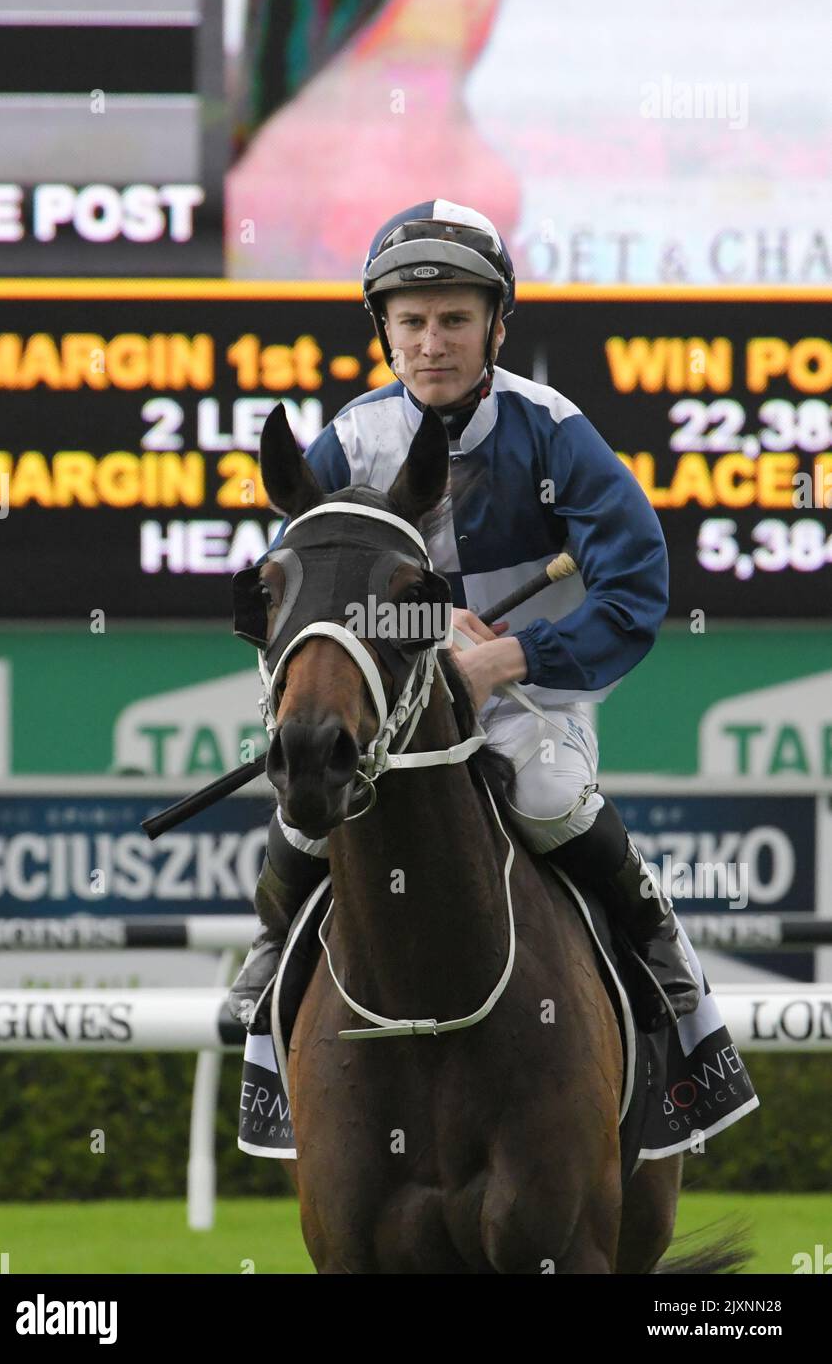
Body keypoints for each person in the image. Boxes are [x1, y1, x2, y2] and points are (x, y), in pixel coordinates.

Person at [229, 199, 700, 1036]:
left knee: (550, 792)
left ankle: (662, 952)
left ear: (496, 329)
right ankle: (269, 957)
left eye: (454, 320)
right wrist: (412, 644)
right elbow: (288, 595)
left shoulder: (555, 431)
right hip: (391, 706)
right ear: (385, 331)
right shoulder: (349, 442)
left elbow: (634, 589)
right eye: (411, 322)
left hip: (525, 701)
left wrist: (505, 659)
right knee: (305, 807)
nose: (431, 343)